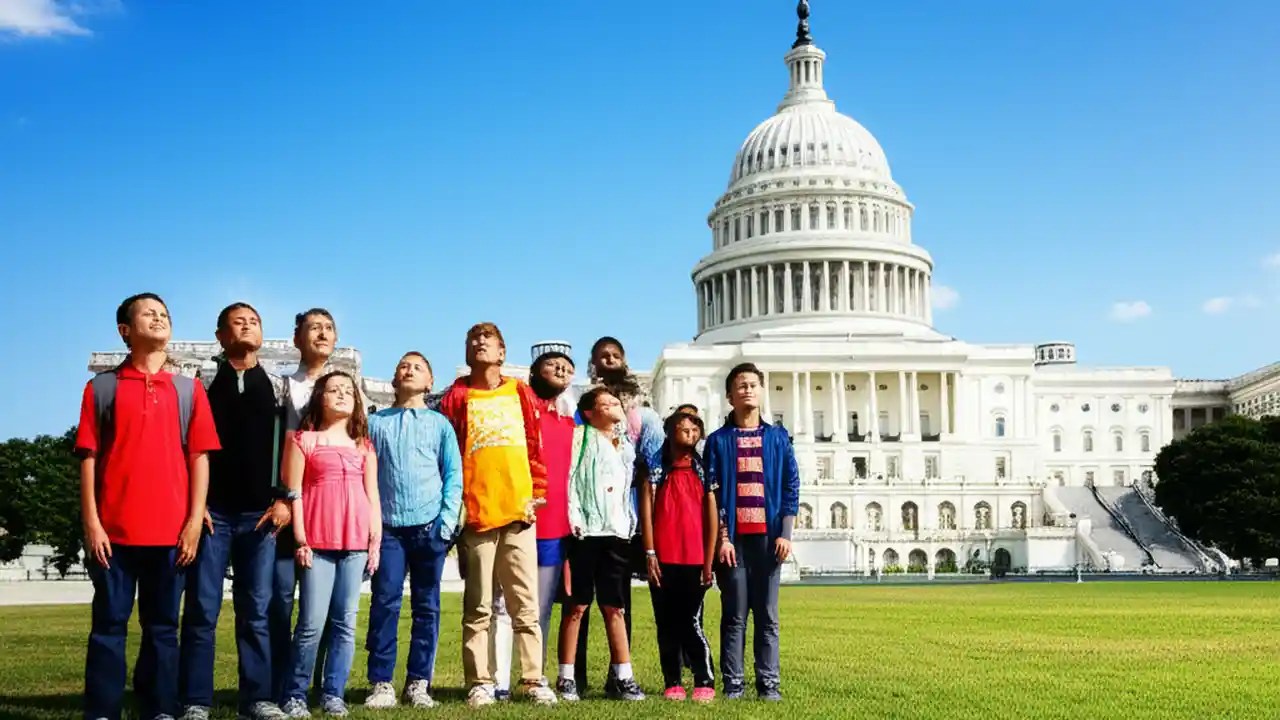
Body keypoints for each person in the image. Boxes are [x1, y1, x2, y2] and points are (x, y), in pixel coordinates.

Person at [77, 292, 220, 720]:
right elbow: (88, 456)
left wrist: (194, 521)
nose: (159, 319)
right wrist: (92, 523)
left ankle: (159, 708)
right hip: (114, 535)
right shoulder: (101, 388)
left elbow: (200, 457)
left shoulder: (189, 389)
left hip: (171, 534)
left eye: (164, 314)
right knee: (108, 628)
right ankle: (102, 710)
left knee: (162, 630)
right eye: (148, 314)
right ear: (125, 330)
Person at [437, 322, 558, 707]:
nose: (480, 343)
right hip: (476, 514)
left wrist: (538, 493)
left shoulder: (518, 391)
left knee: (526, 604)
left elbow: (534, 444)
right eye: (473, 339)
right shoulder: (455, 397)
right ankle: (480, 682)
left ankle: (534, 680)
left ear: (502, 352)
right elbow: (450, 453)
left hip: (519, 511)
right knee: (478, 606)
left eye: (488, 339)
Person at [179, 303, 290, 720]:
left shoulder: (278, 386)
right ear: (221, 336)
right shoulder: (201, 384)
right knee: (202, 609)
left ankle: (257, 698)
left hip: (261, 515)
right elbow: (187, 446)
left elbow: (290, 446)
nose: (247, 327)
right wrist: (195, 505)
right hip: (213, 513)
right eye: (237, 322)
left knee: (256, 609)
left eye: (254, 322)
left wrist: (284, 498)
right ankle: (195, 700)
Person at [363, 353, 462, 710]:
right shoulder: (375, 424)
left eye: (417, 367)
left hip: (429, 527)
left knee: (427, 607)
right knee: (384, 602)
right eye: (403, 366)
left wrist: (446, 524)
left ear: (429, 382)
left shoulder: (440, 425)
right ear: (393, 379)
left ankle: (419, 682)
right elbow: (365, 476)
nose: (408, 370)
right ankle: (381, 682)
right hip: (388, 529)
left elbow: (453, 475)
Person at [281, 371, 381, 718]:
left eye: (348, 391)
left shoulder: (364, 446)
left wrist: (375, 540)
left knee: (345, 623)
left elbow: (373, 495)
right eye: (333, 390)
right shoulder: (303, 440)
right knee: (310, 623)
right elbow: (294, 493)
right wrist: (301, 539)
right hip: (317, 545)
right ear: (319, 398)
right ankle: (294, 693)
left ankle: (333, 692)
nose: (341, 395)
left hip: (355, 544)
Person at [571, 337, 664, 692]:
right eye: (602, 357)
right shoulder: (580, 406)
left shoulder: (640, 410)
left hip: (622, 519)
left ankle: (618, 673)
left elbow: (648, 472)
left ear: (624, 361)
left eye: (615, 355)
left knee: (617, 602)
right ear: (594, 364)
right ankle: (574, 676)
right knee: (579, 600)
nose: (609, 360)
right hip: (586, 515)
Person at [705, 363, 799, 701]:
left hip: (768, 539)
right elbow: (713, 491)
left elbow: (791, 487)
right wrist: (723, 538)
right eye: (740, 385)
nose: (747, 389)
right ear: (729, 396)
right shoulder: (717, 442)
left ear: (761, 391)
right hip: (734, 543)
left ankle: (768, 684)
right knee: (734, 615)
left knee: (768, 616)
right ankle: (733, 684)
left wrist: (785, 533)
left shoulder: (778, 439)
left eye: (752, 384)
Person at [270, 308, 345, 704]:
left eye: (328, 327)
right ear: (296, 338)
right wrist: (283, 494)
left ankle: (322, 688)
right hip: (291, 502)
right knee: (282, 599)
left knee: (330, 607)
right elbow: (279, 446)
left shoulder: (349, 389)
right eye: (313, 327)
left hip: (331, 508)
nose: (322, 333)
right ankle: (283, 687)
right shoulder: (284, 387)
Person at [555, 388, 645, 702]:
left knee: (615, 607)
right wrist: (573, 518)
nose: (616, 406)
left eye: (617, 402)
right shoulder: (580, 437)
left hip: (616, 533)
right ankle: (566, 676)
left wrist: (629, 525)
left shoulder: (625, 445)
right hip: (585, 531)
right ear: (591, 412)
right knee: (577, 606)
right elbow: (569, 479)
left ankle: (624, 676)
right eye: (607, 403)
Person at [639, 411, 717, 702]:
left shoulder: (704, 468)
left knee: (690, 621)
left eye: (694, 429)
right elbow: (647, 513)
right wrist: (650, 553)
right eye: (682, 428)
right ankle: (672, 679)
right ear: (669, 432)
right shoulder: (655, 468)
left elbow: (711, 517)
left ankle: (704, 677)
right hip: (663, 556)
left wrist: (708, 561)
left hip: (695, 557)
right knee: (666, 622)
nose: (689, 433)